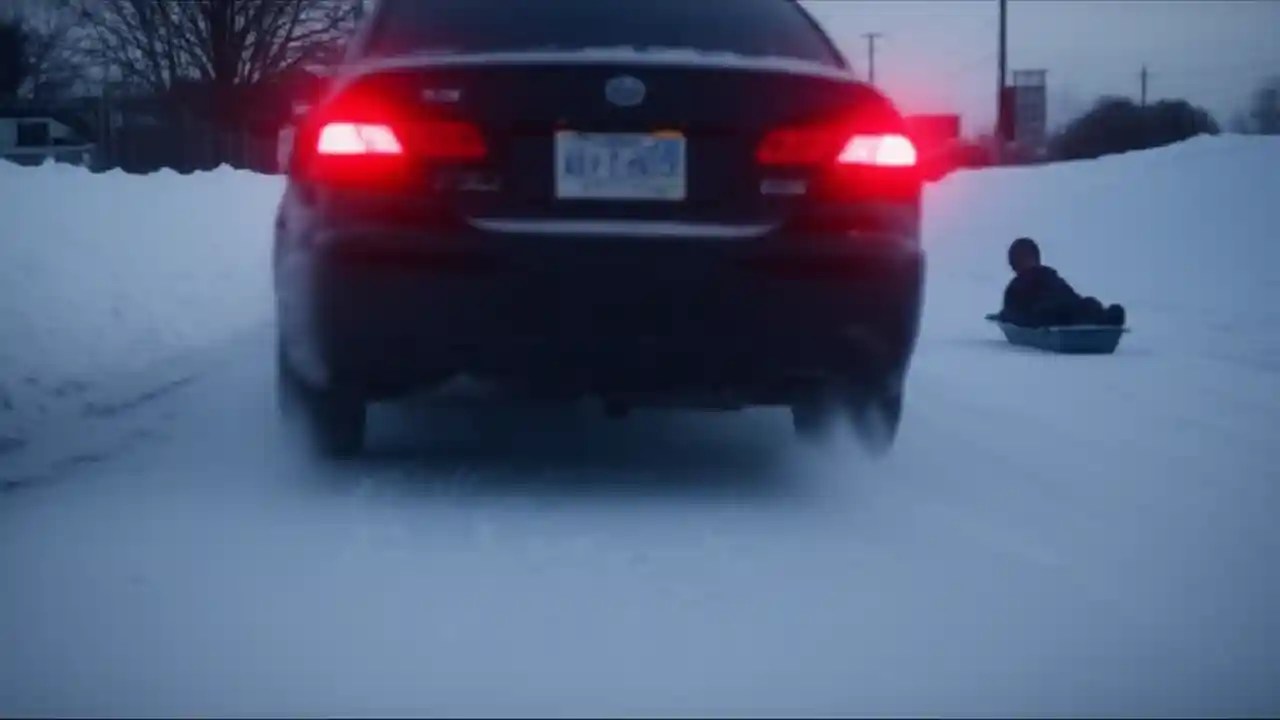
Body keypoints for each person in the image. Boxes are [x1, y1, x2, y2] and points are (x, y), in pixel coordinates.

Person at [996, 237, 1126, 328]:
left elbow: (1068, 294)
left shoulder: (1045, 275)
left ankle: (1102, 317)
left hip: (1053, 313)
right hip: (1051, 313)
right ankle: (1099, 318)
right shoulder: (1023, 283)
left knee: (1085, 305)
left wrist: (1005, 316)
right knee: (1081, 307)